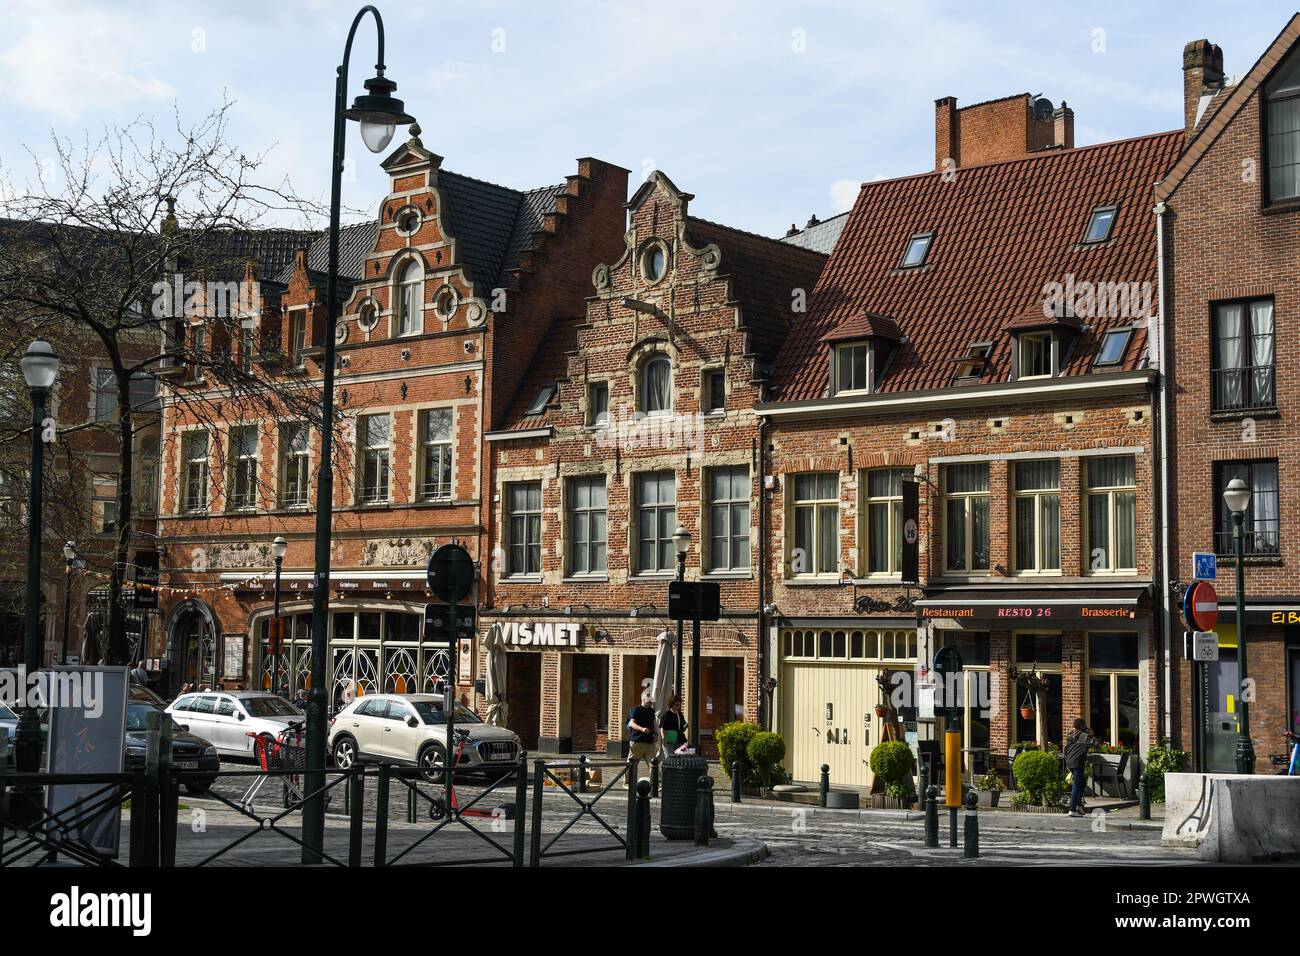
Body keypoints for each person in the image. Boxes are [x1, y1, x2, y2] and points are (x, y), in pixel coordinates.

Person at [1064, 718, 1098, 817]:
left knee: (1081, 782)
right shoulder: (1084, 736)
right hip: (1077, 762)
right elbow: (1095, 745)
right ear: (1084, 726)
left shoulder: (1070, 735)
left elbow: (1067, 747)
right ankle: (1072, 809)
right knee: (1076, 785)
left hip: (1069, 761)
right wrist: (1091, 733)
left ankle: (1078, 806)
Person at [625, 690, 658, 788]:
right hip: (637, 741)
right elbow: (631, 723)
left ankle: (656, 784)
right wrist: (642, 729)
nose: (651, 701)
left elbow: (653, 724)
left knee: (653, 764)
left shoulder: (651, 711)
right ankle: (627, 782)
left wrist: (655, 733)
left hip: (649, 741)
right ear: (643, 698)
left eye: (651, 699)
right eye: (649, 699)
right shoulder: (636, 709)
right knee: (632, 764)